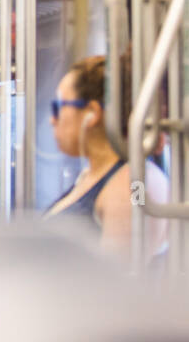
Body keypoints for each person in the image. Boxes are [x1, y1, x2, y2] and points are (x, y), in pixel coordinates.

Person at [44, 55, 168, 261]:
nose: (52, 120)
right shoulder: (92, 175)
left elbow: (117, 284)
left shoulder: (133, 184)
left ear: (92, 113)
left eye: (58, 108)